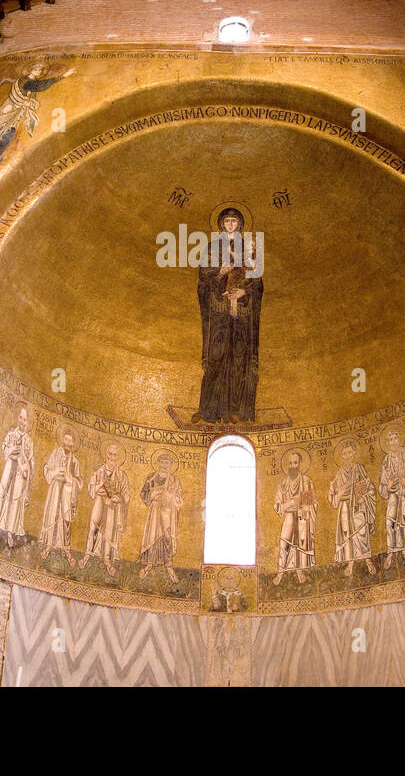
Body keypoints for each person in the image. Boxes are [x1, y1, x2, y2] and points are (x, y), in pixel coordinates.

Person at [193, 208, 262, 424]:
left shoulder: (249, 248)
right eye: (227, 221)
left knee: (239, 357)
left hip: (241, 313)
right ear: (221, 224)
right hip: (219, 310)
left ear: (240, 225)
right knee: (216, 355)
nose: (230, 224)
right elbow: (204, 275)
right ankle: (209, 410)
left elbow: (257, 280)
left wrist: (244, 292)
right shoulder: (213, 247)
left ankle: (237, 410)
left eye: (234, 221)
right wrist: (220, 273)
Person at [0, 62, 75, 174]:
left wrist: (28, 103)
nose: (38, 72)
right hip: (10, 111)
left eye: (40, 70)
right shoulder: (25, 81)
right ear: (30, 70)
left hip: (17, 114)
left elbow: (32, 94)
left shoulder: (30, 82)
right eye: (36, 69)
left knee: (8, 135)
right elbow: (39, 86)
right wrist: (62, 76)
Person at [78, 441, 130, 576]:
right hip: (99, 502)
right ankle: (87, 555)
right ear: (106, 454)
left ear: (118, 457)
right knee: (92, 528)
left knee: (108, 533)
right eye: (110, 454)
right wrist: (99, 486)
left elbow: (126, 495)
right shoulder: (98, 471)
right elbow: (91, 489)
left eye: (115, 455)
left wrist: (119, 499)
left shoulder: (122, 475)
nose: (112, 457)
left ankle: (107, 559)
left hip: (112, 507)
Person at [329, 439, 377, 577]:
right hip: (344, 507)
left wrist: (363, 497)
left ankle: (368, 559)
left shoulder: (359, 468)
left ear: (354, 453)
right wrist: (339, 494)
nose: (347, 456)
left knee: (361, 532)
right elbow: (333, 494)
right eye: (344, 454)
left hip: (357, 504)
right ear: (341, 456)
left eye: (349, 452)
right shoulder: (339, 473)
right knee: (347, 534)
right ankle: (350, 562)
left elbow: (367, 486)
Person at [38, 426, 83, 564]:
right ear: (62, 441)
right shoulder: (55, 454)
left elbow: (79, 481)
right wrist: (56, 472)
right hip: (55, 489)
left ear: (73, 444)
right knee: (53, 515)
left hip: (67, 493)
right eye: (66, 440)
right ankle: (48, 546)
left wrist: (70, 479)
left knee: (65, 519)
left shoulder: (75, 461)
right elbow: (47, 469)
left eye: (71, 442)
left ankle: (66, 548)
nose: (68, 444)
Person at [0, 406, 34, 547]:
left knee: (15, 499)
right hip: (9, 467)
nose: (22, 422)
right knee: (3, 493)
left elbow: (31, 461)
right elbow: (3, 450)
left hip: (20, 473)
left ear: (28, 423)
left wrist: (25, 466)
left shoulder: (29, 441)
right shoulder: (11, 434)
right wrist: (10, 450)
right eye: (21, 418)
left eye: (25, 420)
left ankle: (10, 531)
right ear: (18, 418)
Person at [272, 449, 317, 585]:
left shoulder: (306, 481)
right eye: (290, 463)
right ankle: (280, 573)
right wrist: (288, 503)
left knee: (299, 546)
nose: (293, 466)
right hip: (289, 517)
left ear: (300, 464)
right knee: (284, 544)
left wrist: (303, 505)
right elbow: (277, 504)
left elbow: (310, 502)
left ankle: (299, 572)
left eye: (295, 463)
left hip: (302, 518)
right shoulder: (283, 484)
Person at [137, 452, 183, 582]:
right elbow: (144, 493)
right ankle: (149, 564)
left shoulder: (175, 480)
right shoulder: (151, 477)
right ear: (158, 463)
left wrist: (171, 497)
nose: (164, 465)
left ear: (170, 465)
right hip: (155, 510)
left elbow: (179, 497)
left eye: (167, 463)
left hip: (168, 512)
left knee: (167, 537)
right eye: (162, 462)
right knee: (152, 536)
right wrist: (152, 496)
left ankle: (169, 565)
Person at [378, 426, 405, 567]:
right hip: (392, 496)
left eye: (395, 438)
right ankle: (390, 552)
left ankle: (404, 550)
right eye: (390, 440)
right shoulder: (386, 460)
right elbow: (382, 486)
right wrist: (388, 487)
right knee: (390, 522)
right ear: (387, 443)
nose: (393, 442)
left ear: (399, 439)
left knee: (402, 522)